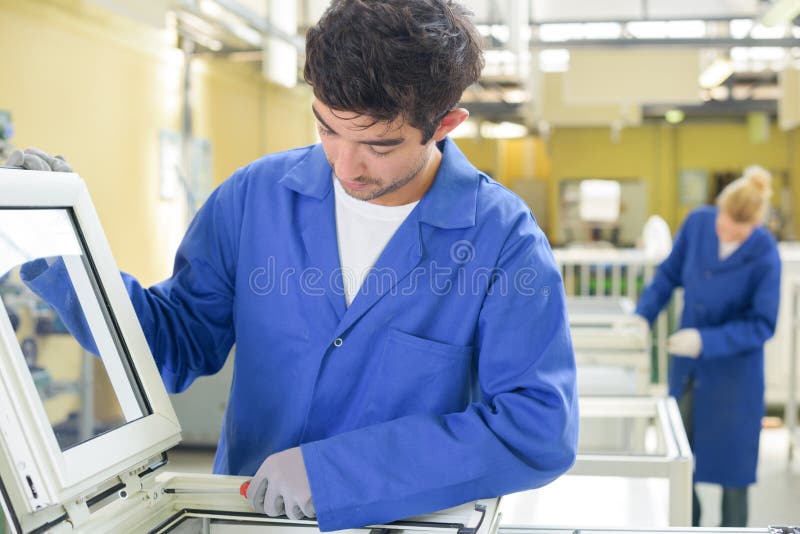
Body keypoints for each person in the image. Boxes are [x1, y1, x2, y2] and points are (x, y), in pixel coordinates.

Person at [8, 0, 578, 530]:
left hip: (400, 523)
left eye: (379, 145)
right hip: (246, 517)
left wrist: (337, 472)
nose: (347, 165)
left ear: (446, 125)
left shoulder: (503, 242)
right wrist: (64, 256)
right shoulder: (253, 199)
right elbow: (173, 348)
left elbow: (535, 430)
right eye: (328, 128)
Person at [635, 166, 781, 527]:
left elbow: (762, 324)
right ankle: (690, 526)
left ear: (752, 228)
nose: (724, 230)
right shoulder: (700, 223)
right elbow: (668, 275)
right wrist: (642, 316)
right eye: (723, 219)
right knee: (680, 461)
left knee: (734, 475)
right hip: (688, 372)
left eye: (735, 228)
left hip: (734, 378)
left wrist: (704, 341)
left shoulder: (764, 252)